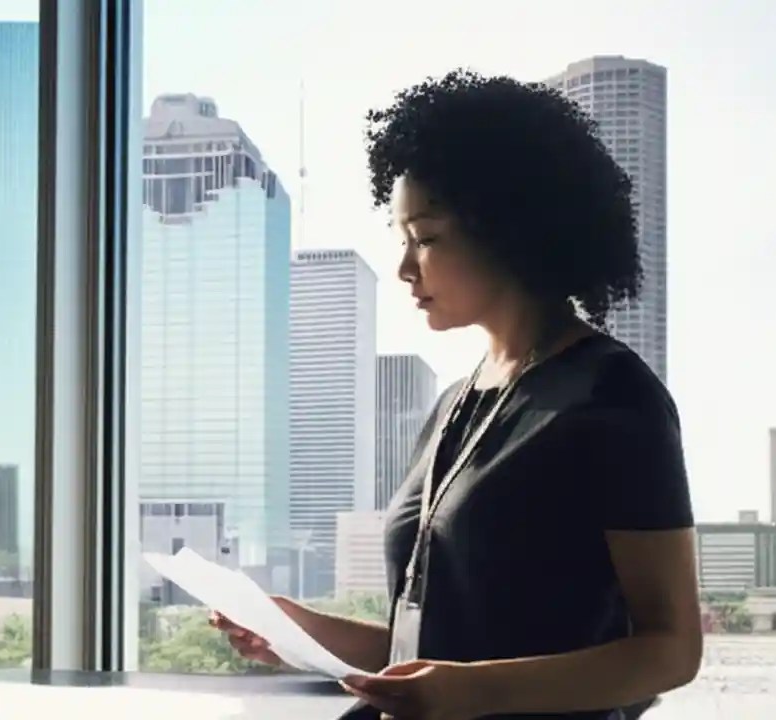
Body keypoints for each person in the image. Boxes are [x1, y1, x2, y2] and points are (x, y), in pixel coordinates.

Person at [210, 68, 701, 720]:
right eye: (403, 240)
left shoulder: (612, 398)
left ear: (511, 229)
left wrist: (474, 694)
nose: (405, 267)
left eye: (427, 239)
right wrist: (301, 632)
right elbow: (438, 650)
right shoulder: (456, 403)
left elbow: (671, 650)